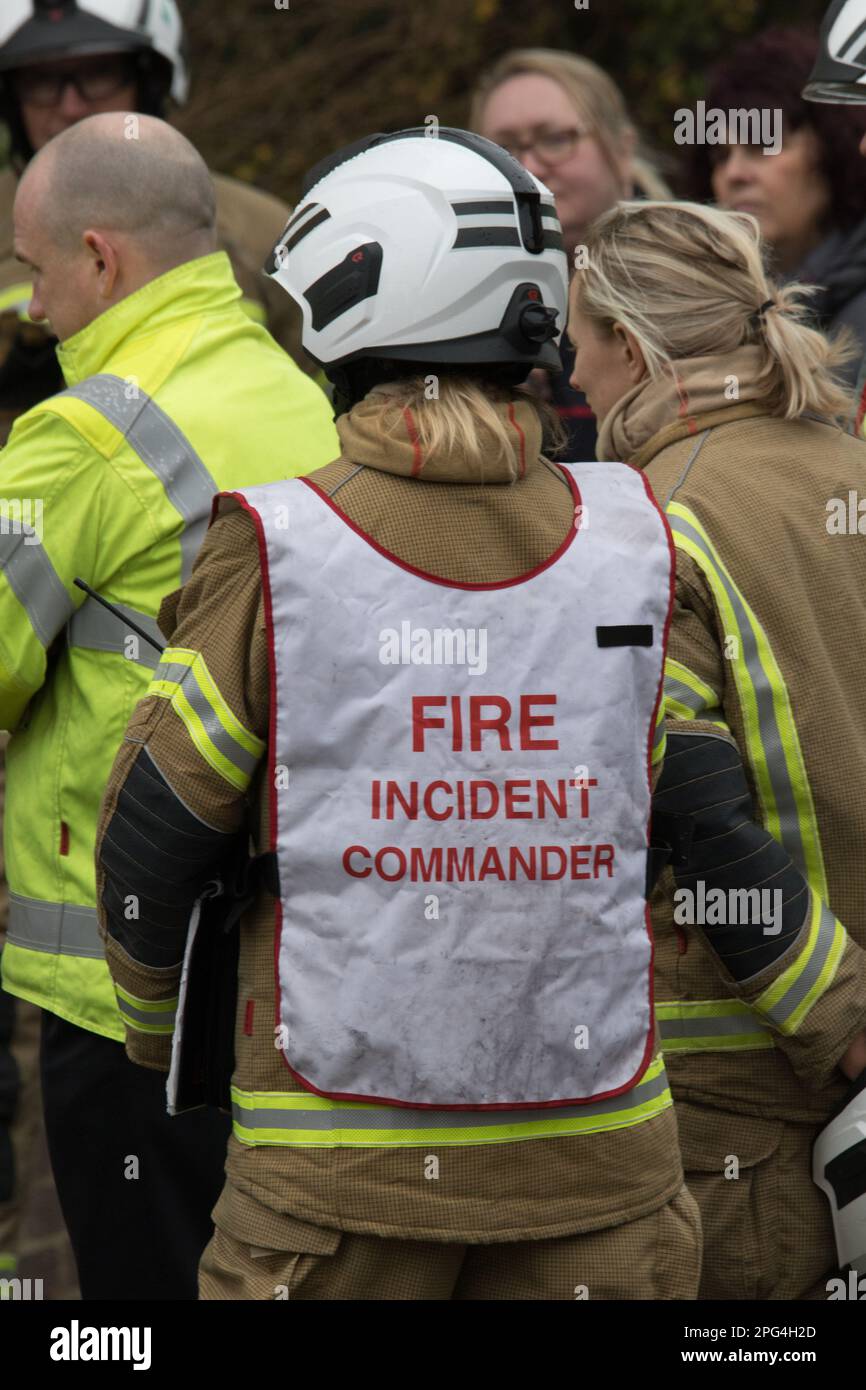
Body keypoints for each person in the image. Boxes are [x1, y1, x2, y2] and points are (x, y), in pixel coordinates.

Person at [97, 127, 701, 1302]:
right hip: (603, 1182)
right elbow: (703, 807)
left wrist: (154, 1033)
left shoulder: (276, 548)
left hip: (337, 1190)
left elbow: (152, 837)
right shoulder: (641, 538)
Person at [0, 0, 310, 1292]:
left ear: (100, 260)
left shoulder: (82, 433)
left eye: (33, 271)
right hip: (285, 960)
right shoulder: (297, 393)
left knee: (136, 1289)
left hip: (120, 986)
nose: (26, 302)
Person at [569, 196, 866, 1299]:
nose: (571, 380)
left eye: (578, 346)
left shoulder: (649, 522)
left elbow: (692, 810)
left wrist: (840, 1024)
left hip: (753, 1087)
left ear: (634, 351)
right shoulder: (846, 469)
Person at [470, 48, 670, 460]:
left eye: (555, 139)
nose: (527, 169)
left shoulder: (698, 277)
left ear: (622, 148)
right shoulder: (458, 306)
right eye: (501, 151)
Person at [688, 27, 866, 391]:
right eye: (720, 156)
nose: (734, 173)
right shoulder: (701, 316)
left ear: (832, 148)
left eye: (761, 145)